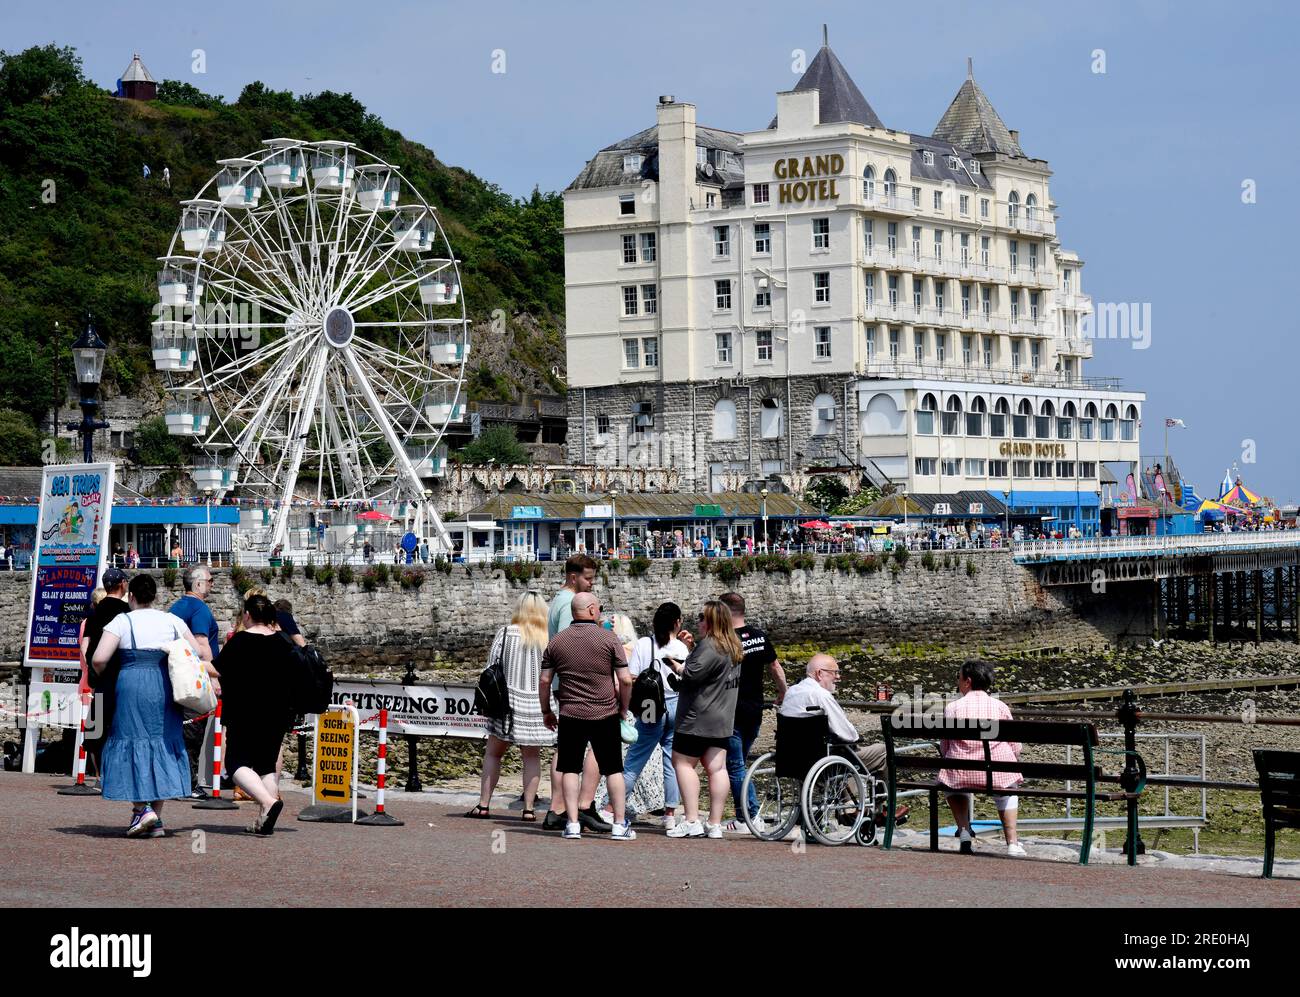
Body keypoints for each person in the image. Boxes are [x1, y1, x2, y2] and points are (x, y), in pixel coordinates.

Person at [91, 574, 213, 837]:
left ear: (130, 596)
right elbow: (198, 653)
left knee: (129, 739)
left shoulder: (122, 621)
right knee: (163, 741)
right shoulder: (171, 620)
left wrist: (107, 675)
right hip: (163, 686)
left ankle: (141, 809)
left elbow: (99, 658)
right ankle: (155, 816)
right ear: (155, 596)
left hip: (131, 684)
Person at [538, 592, 636, 840]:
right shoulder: (608, 639)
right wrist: (623, 708)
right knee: (614, 769)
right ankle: (620, 825)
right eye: (599, 607)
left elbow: (545, 680)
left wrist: (546, 711)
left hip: (570, 713)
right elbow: (625, 679)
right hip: (605, 713)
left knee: (570, 768)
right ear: (592, 609)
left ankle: (571, 824)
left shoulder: (557, 642)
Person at [778, 653, 907, 818]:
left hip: (793, 759)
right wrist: (855, 737)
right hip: (824, 759)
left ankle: (851, 804)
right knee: (882, 751)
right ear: (820, 673)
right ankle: (881, 809)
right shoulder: (821, 695)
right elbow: (847, 734)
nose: (838, 677)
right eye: (835, 672)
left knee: (845, 752)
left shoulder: (791, 693)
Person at [467, 592, 555, 821]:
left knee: (494, 754)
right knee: (532, 758)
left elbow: (490, 668)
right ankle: (528, 809)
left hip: (506, 704)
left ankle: (484, 805)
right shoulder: (548, 637)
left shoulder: (506, 633)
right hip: (538, 703)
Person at [214, 594, 297, 834]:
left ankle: (268, 803)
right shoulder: (282, 641)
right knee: (265, 766)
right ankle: (264, 820)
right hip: (277, 712)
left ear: (247, 615)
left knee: (236, 763)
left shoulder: (240, 641)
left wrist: (194, 662)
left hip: (245, 711)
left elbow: (218, 669)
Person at [667, 600, 743, 839]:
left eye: (702, 618)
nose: (698, 622)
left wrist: (676, 665)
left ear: (710, 621)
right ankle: (715, 823)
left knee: (682, 763)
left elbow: (692, 675)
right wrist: (691, 651)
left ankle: (691, 820)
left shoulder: (709, 645)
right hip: (723, 718)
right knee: (717, 768)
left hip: (697, 717)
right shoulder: (734, 645)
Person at [541, 553, 605, 833]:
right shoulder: (569, 603)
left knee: (565, 748)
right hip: (577, 686)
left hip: (563, 685)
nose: (591, 585)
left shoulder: (557, 599)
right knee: (591, 746)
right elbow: (575, 644)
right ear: (573, 577)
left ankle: (558, 808)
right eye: (588, 579)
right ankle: (581, 805)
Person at [719, 592, 788, 833]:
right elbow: (775, 667)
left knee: (736, 766)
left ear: (725, 612)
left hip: (732, 710)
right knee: (741, 763)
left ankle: (746, 816)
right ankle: (750, 814)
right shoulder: (759, 636)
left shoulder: (725, 640)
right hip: (755, 709)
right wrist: (783, 692)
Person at [940, 660, 1024, 856]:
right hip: (996, 774)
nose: (958, 682)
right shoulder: (1000, 707)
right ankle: (1012, 842)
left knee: (950, 778)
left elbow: (945, 746)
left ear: (967, 681)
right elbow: (1015, 746)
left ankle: (963, 830)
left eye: (958, 678)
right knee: (1008, 785)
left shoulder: (953, 708)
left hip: (961, 775)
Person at [617, 602, 688, 829]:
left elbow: (633, 677)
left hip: (650, 706)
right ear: (677, 622)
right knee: (672, 760)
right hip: (676, 705)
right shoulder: (681, 648)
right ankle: (669, 814)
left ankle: (612, 808)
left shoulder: (644, 644)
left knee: (635, 759)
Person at [169, 566, 221, 798]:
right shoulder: (199, 609)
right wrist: (214, 678)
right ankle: (188, 784)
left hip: (177, 676)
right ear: (198, 584)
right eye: (210, 580)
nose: (212, 584)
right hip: (194, 679)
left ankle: (178, 781)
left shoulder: (176, 607)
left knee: (178, 730)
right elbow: (202, 646)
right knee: (193, 732)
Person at [82, 568, 131, 777]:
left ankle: (101, 776)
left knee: (96, 729)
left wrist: (92, 671)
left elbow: (86, 647)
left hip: (99, 676)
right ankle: (119, 774)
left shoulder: (96, 611)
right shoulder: (126, 611)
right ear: (122, 584)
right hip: (121, 674)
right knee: (122, 727)